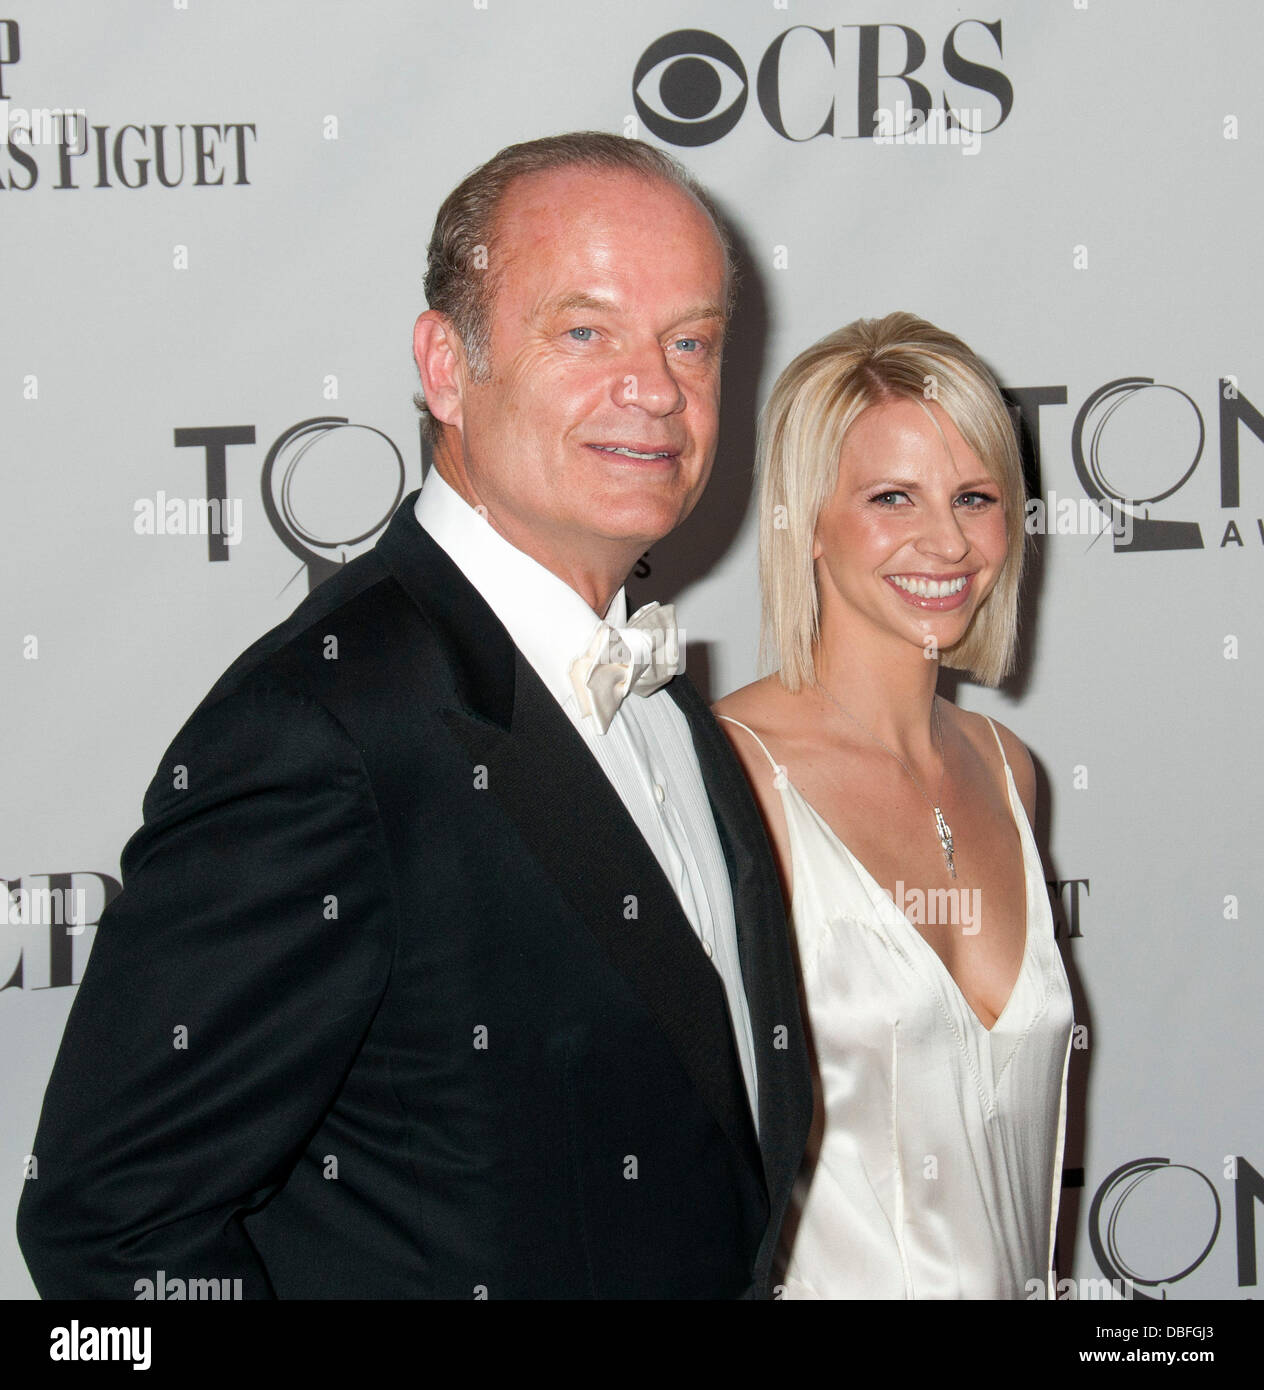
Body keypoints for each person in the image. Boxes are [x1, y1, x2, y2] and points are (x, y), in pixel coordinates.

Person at [17, 132, 812, 1300]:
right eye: (584, 332)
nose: (654, 388)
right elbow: (113, 1226)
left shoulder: (671, 713)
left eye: (689, 341)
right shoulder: (323, 726)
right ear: (445, 368)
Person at [714, 312, 1074, 1299]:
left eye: (974, 496)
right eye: (891, 497)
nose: (948, 541)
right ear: (806, 520)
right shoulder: (726, 775)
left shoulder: (1008, 769)